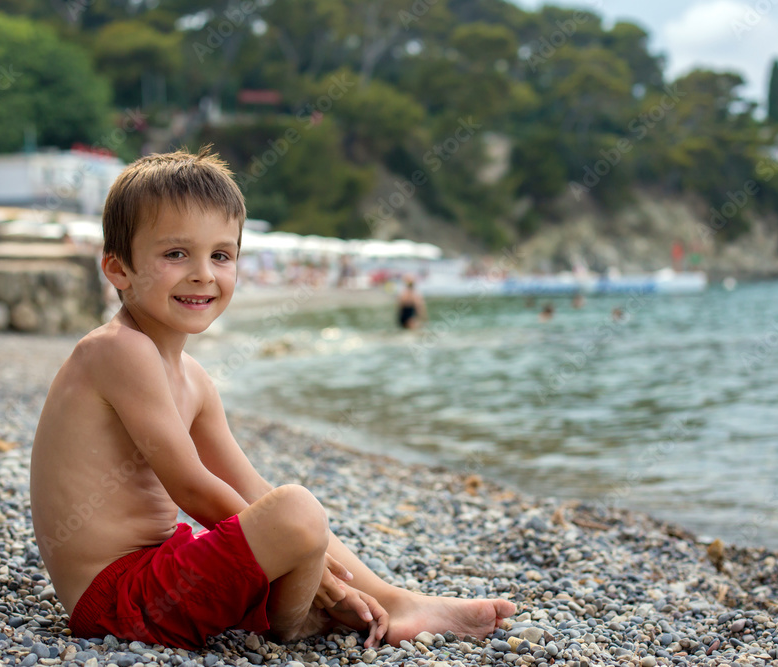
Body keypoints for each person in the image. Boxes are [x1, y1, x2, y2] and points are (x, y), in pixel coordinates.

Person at [29, 148, 514, 653]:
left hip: (163, 571)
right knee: (296, 512)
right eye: (175, 254)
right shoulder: (117, 350)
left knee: (287, 507)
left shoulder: (192, 378)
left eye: (220, 255)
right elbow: (192, 488)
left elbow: (250, 487)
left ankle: (391, 599)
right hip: (117, 600)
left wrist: (313, 557)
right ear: (118, 268)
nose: (202, 273)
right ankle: (304, 619)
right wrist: (312, 560)